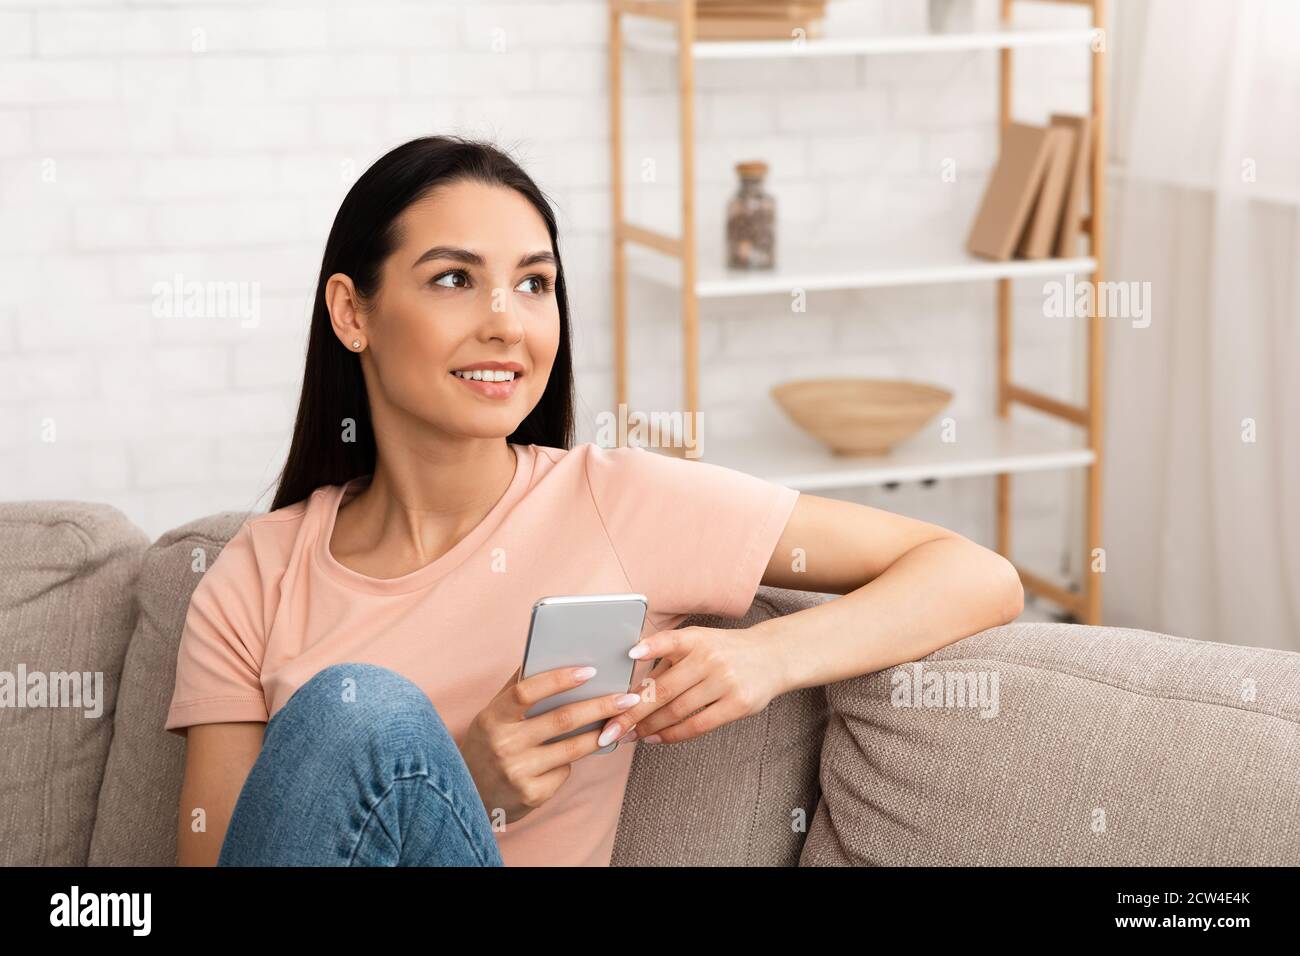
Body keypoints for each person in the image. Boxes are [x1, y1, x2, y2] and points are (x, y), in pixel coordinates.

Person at [166, 135, 1023, 867]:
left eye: (535, 284)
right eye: (455, 279)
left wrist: (772, 657)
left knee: (362, 705)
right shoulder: (257, 572)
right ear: (354, 312)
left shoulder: (617, 500)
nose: (508, 322)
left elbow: (973, 573)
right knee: (355, 713)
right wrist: (467, 780)